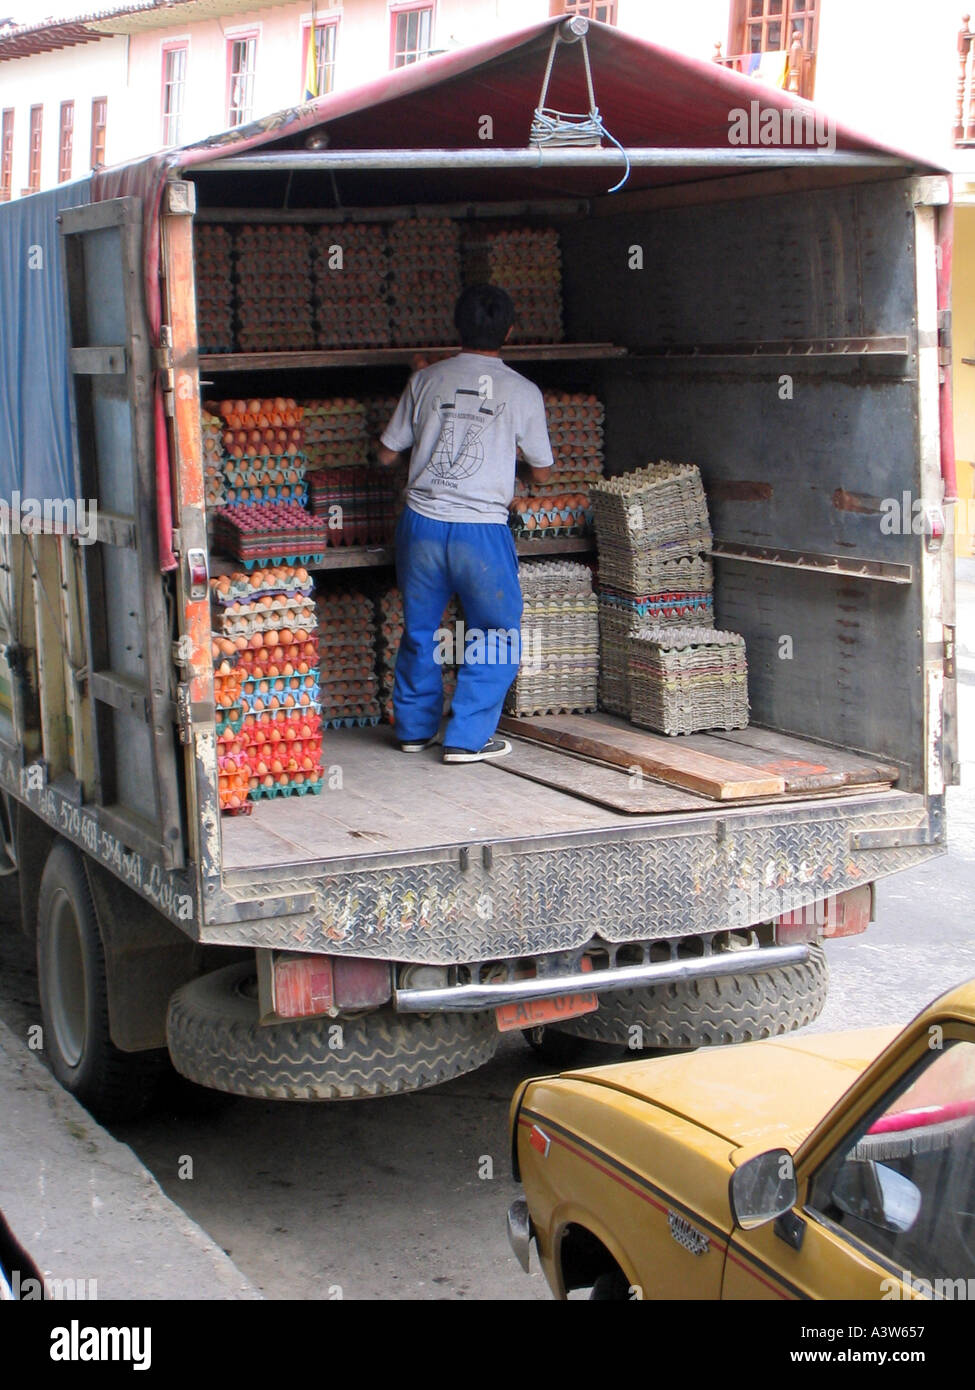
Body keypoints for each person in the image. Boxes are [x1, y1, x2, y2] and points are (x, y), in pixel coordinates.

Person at [376, 283, 554, 763]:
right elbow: (541, 470)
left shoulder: (426, 380)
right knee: (494, 633)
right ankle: (466, 738)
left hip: (423, 526)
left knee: (420, 630)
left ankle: (413, 730)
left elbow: (387, 453)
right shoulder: (523, 391)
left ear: (457, 326)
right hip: (482, 532)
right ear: (510, 331)